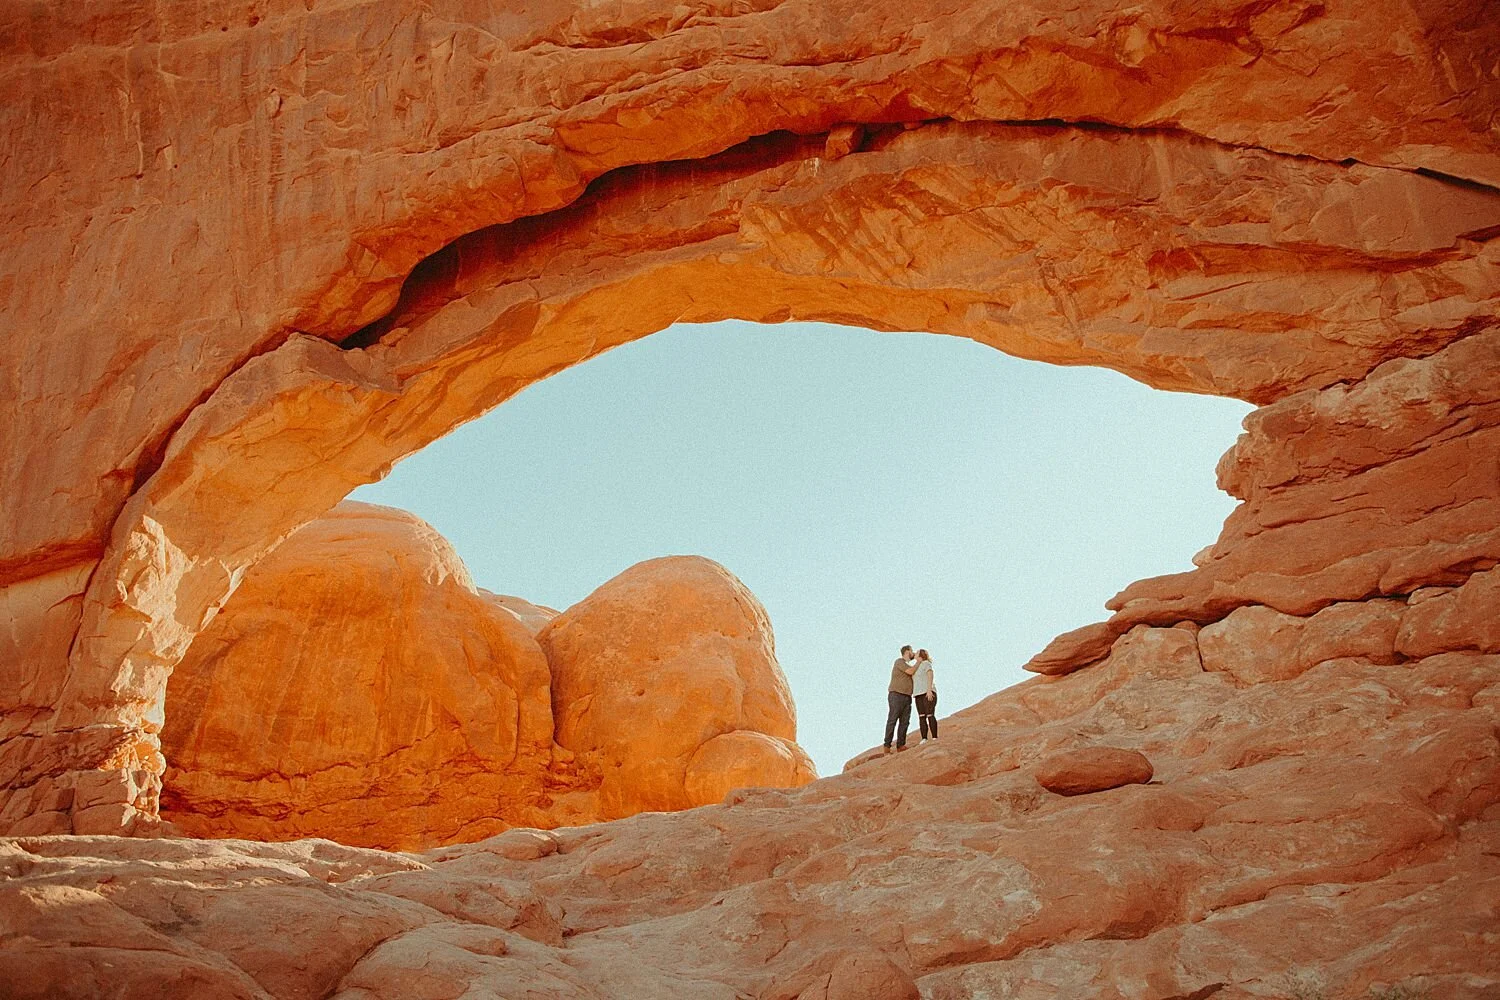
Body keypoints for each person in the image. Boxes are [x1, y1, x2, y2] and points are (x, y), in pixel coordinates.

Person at [884, 644, 917, 753]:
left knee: (905, 721)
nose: (913, 653)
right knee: (893, 719)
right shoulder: (899, 662)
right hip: (896, 695)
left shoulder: (907, 665)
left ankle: (901, 745)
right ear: (907, 651)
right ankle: (887, 746)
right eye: (912, 651)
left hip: (907, 696)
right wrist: (919, 661)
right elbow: (911, 671)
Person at [913, 649, 937, 743]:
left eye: (917, 652)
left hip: (927, 692)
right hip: (918, 694)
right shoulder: (916, 666)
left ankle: (934, 737)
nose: (914, 654)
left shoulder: (926, 663)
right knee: (921, 716)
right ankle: (924, 738)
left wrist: (929, 690)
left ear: (920, 655)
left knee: (930, 714)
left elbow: (930, 675)